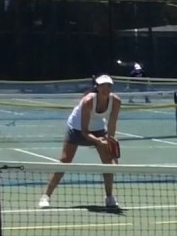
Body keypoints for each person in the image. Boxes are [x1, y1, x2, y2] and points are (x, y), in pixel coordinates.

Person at [38, 75, 124, 210]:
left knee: (108, 163)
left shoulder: (116, 101)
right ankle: (46, 196)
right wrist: (97, 141)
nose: (105, 89)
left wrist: (109, 142)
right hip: (77, 128)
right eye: (102, 85)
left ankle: (109, 197)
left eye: (108, 86)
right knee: (65, 160)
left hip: (99, 129)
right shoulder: (88, 100)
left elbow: (112, 125)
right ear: (97, 87)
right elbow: (84, 131)